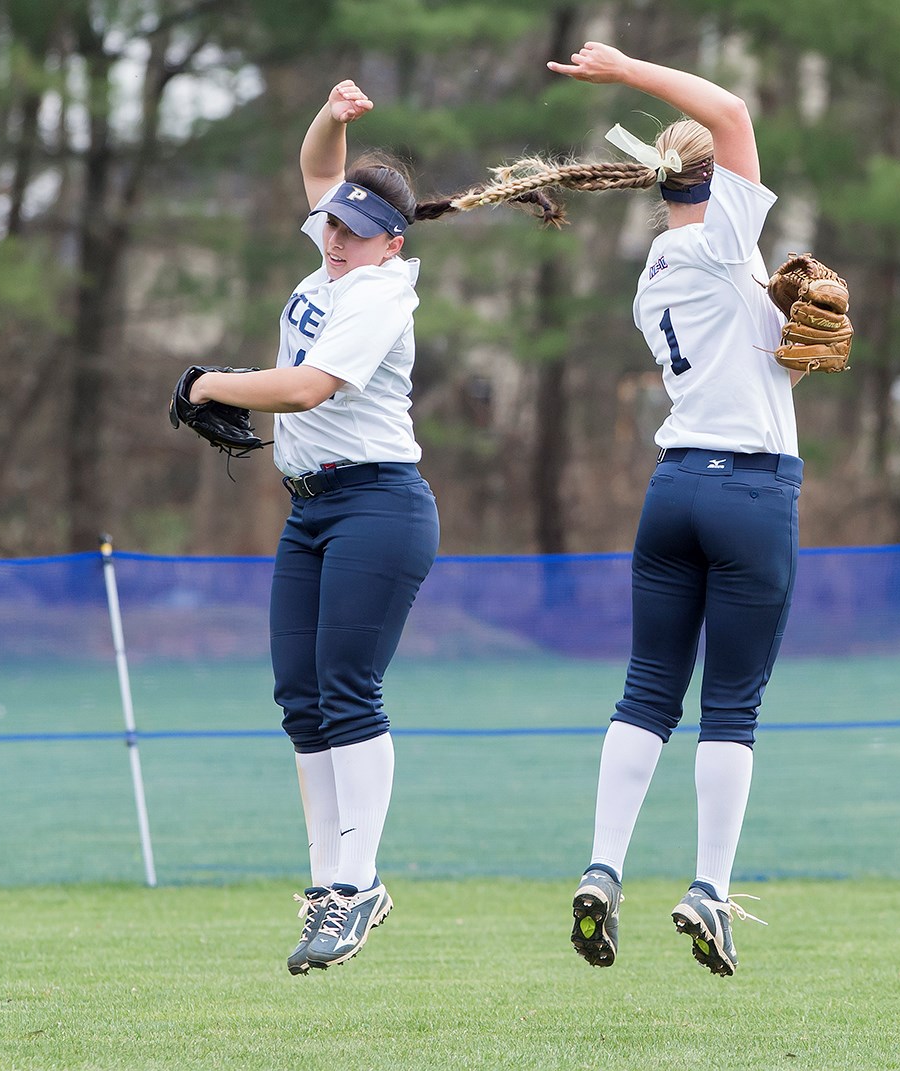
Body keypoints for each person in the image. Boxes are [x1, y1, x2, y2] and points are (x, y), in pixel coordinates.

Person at [185, 79, 554, 975]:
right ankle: (327, 885)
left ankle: (358, 884)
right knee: (300, 699)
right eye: (332, 224)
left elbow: (309, 387)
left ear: (393, 240)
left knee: (348, 691)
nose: (334, 236)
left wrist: (209, 383)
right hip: (312, 508)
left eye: (352, 229)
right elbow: (319, 169)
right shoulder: (336, 260)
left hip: (379, 505)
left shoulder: (381, 292)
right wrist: (332, 116)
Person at [535, 42, 805, 976]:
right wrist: (626, 72)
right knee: (731, 704)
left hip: (674, 488)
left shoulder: (655, 269)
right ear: (715, 182)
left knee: (647, 689)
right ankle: (708, 889)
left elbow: (750, 351)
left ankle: (603, 866)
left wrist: (783, 333)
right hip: (750, 491)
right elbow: (732, 112)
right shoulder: (725, 241)